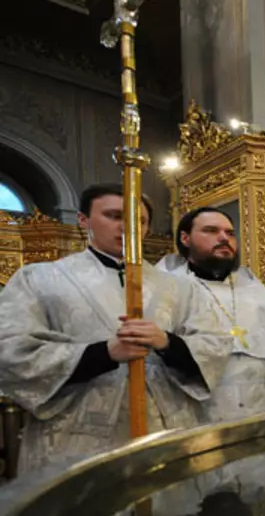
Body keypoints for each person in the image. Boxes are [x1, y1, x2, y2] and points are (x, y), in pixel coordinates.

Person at [0, 184, 230, 473]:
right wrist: (104, 353)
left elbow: (216, 344)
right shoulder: (40, 279)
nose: (128, 227)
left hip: (165, 430)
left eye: (140, 221)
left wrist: (168, 343)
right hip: (76, 437)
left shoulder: (180, 287)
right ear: (83, 220)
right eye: (113, 215)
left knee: (166, 514)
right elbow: (10, 350)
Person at [166, 206, 265, 421]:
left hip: (260, 406)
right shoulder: (169, 287)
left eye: (229, 233)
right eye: (211, 231)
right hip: (199, 407)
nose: (223, 238)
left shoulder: (252, 286)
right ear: (185, 238)